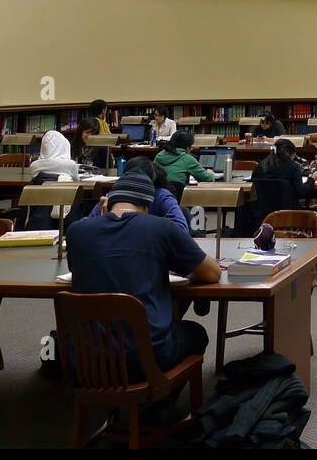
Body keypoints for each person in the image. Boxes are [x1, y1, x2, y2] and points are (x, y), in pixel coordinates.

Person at [65, 172, 220, 374]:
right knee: (196, 333)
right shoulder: (163, 229)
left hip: (85, 356)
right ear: (147, 206)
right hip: (146, 356)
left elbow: (79, 267)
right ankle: (161, 397)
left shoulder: (77, 231)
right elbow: (212, 273)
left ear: (109, 202)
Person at [87, 158, 188, 231]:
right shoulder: (114, 196)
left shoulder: (161, 196)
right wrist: (104, 217)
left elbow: (181, 228)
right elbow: (87, 226)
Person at [240, 139, 314, 237]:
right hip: (286, 216)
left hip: (260, 217)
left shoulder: (260, 166)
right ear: (291, 154)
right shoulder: (293, 167)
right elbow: (301, 192)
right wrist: (311, 179)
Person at [154, 130, 216, 194]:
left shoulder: (159, 156)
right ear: (187, 147)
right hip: (178, 198)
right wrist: (211, 174)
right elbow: (206, 178)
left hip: (158, 197)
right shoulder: (187, 159)